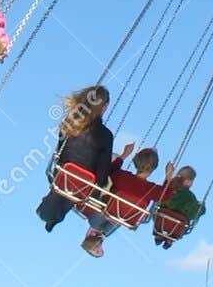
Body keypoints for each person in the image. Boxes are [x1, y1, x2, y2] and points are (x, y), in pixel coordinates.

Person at [37, 84, 114, 231]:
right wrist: (101, 186)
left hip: (64, 172)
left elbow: (61, 148)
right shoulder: (106, 135)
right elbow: (103, 170)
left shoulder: (71, 122)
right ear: (104, 107)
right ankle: (53, 215)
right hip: (83, 183)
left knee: (65, 188)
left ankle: (52, 213)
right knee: (75, 192)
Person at [80, 146, 174, 258]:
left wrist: (168, 175)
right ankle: (97, 232)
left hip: (120, 215)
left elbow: (110, 169)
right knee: (99, 220)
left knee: (105, 211)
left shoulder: (121, 176)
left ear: (136, 163)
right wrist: (125, 153)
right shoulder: (151, 189)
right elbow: (166, 194)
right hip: (114, 215)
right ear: (153, 168)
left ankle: (98, 232)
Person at [154, 165, 205, 247]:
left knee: (160, 212)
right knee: (183, 221)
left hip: (160, 221)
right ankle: (170, 240)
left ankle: (158, 235)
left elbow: (161, 197)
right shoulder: (189, 197)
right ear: (188, 181)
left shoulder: (169, 188)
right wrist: (202, 207)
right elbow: (194, 212)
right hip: (177, 227)